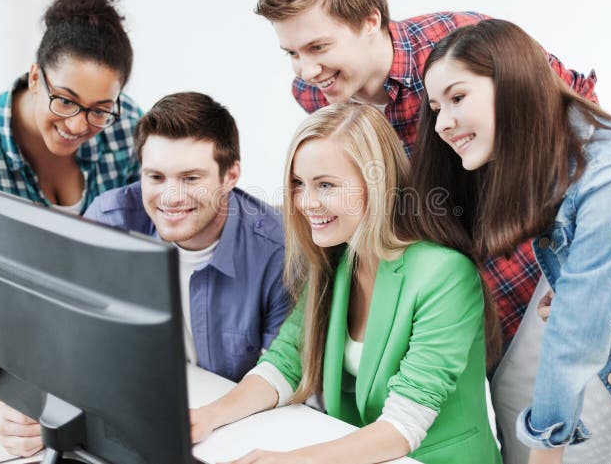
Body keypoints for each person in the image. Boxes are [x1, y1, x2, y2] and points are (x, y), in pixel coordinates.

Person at [255, 0, 599, 388]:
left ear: (370, 21)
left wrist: (582, 266)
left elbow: (582, 119)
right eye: (292, 53)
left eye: (319, 46)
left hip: (534, 281)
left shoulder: (462, 43)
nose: (307, 70)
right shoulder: (315, 94)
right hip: (445, 298)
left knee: (545, 438)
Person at [414, 18, 611, 464]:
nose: (442, 124)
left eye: (457, 97)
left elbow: (575, 335)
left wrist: (545, 449)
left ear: (514, 85)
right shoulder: (561, 166)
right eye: (437, 107)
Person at [191, 103, 501, 464]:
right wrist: (209, 416)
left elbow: (404, 426)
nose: (307, 203)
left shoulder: (445, 274)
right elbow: (286, 363)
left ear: (377, 184)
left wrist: (293, 460)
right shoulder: (338, 260)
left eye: (325, 185)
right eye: (298, 184)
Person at [0, 92, 293, 458]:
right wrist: (28, 401)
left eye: (191, 177)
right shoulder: (109, 221)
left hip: (230, 431)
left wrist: (209, 417)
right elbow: (61, 331)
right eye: (156, 176)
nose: (170, 196)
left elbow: (286, 369)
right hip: (129, 417)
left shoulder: (277, 249)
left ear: (230, 175)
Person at [0, 0, 142, 327]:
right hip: (12, 320)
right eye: (66, 100)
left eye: (99, 109)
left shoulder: (127, 127)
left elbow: (142, 226)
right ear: (36, 76)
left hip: (98, 317)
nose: (77, 124)